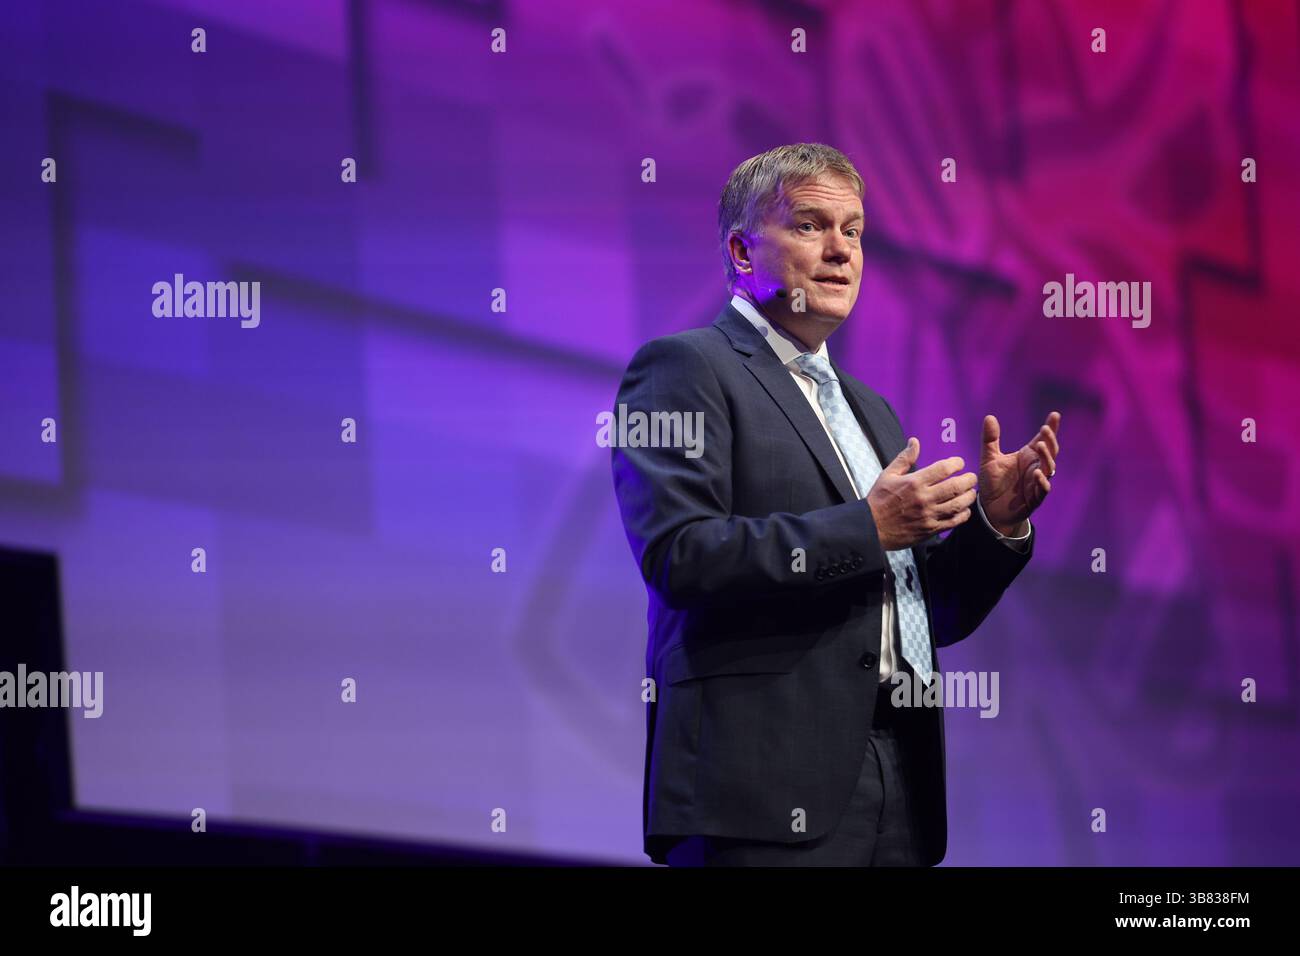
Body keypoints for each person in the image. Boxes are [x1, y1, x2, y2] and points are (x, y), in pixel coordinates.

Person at [610, 143, 1062, 866]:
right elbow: (679, 555)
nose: (840, 251)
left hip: (898, 777)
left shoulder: (868, 410)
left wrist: (995, 525)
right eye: (810, 225)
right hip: (756, 781)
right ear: (742, 250)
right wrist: (868, 525)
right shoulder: (684, 368)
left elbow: (921, 615)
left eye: (853, 231)